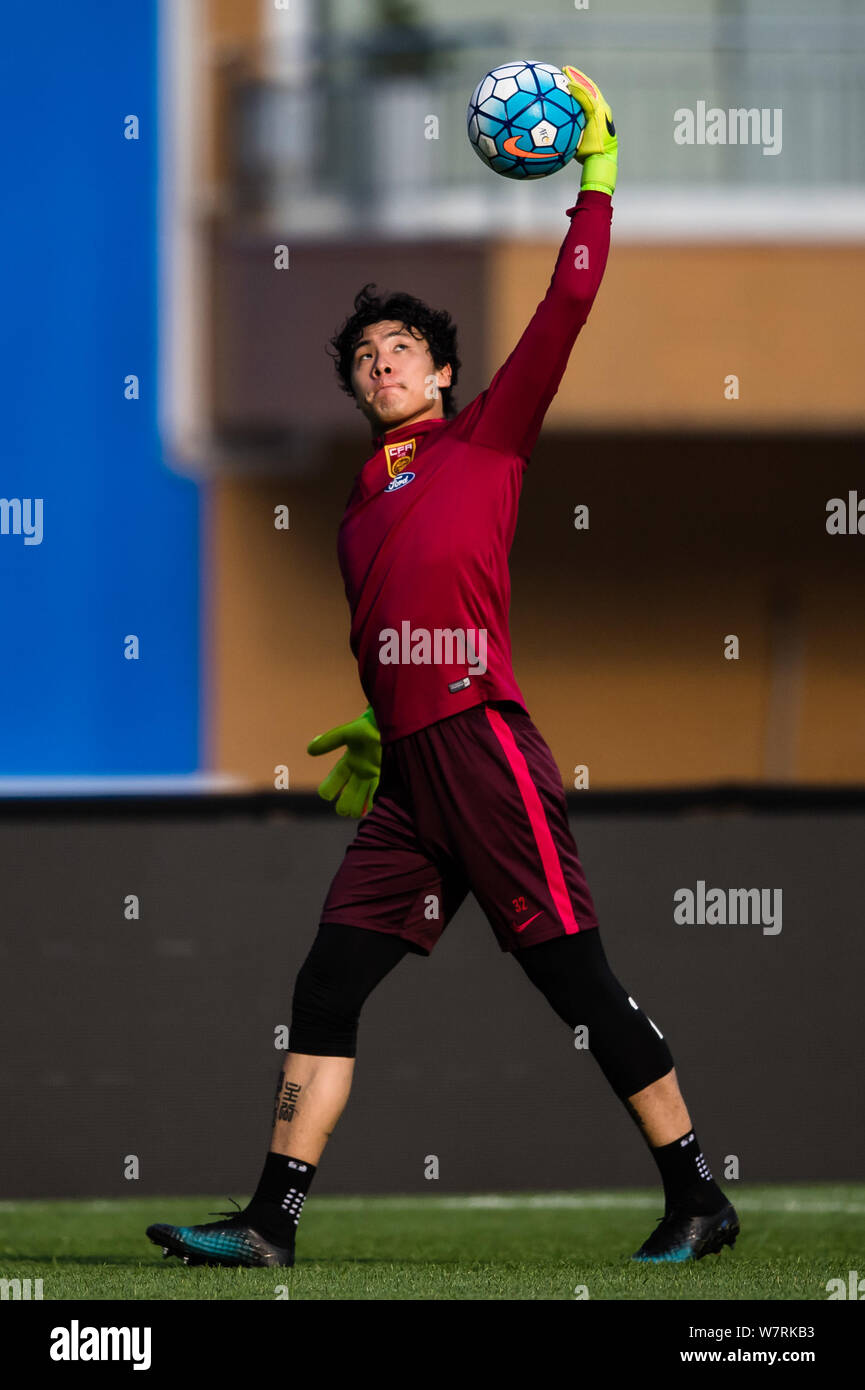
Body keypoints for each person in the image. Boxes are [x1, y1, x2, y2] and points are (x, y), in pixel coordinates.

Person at [147, 67, 738, 1270]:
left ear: (444, 374)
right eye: (364, 354)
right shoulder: (357, 510)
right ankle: (270, 1225)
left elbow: (568, 307)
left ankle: (698, 1196)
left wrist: (598, 174)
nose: (381, 363)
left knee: (573, 975)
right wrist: (379, 722)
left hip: (481, 742)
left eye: (402, 346)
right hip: (412, 769)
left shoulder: (485, 439)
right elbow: (392, 627)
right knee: (326, 981)